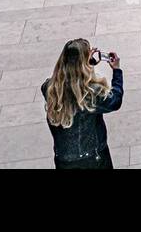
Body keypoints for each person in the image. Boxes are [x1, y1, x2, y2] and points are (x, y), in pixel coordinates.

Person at [41, 39, 123, 169]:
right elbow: (115, 101)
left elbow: (68, 80)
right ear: (84, 63)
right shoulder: (91, 94)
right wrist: (117, 71)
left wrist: (87, 63)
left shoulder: (50, 89)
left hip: (64, 160)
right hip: (93, 159)